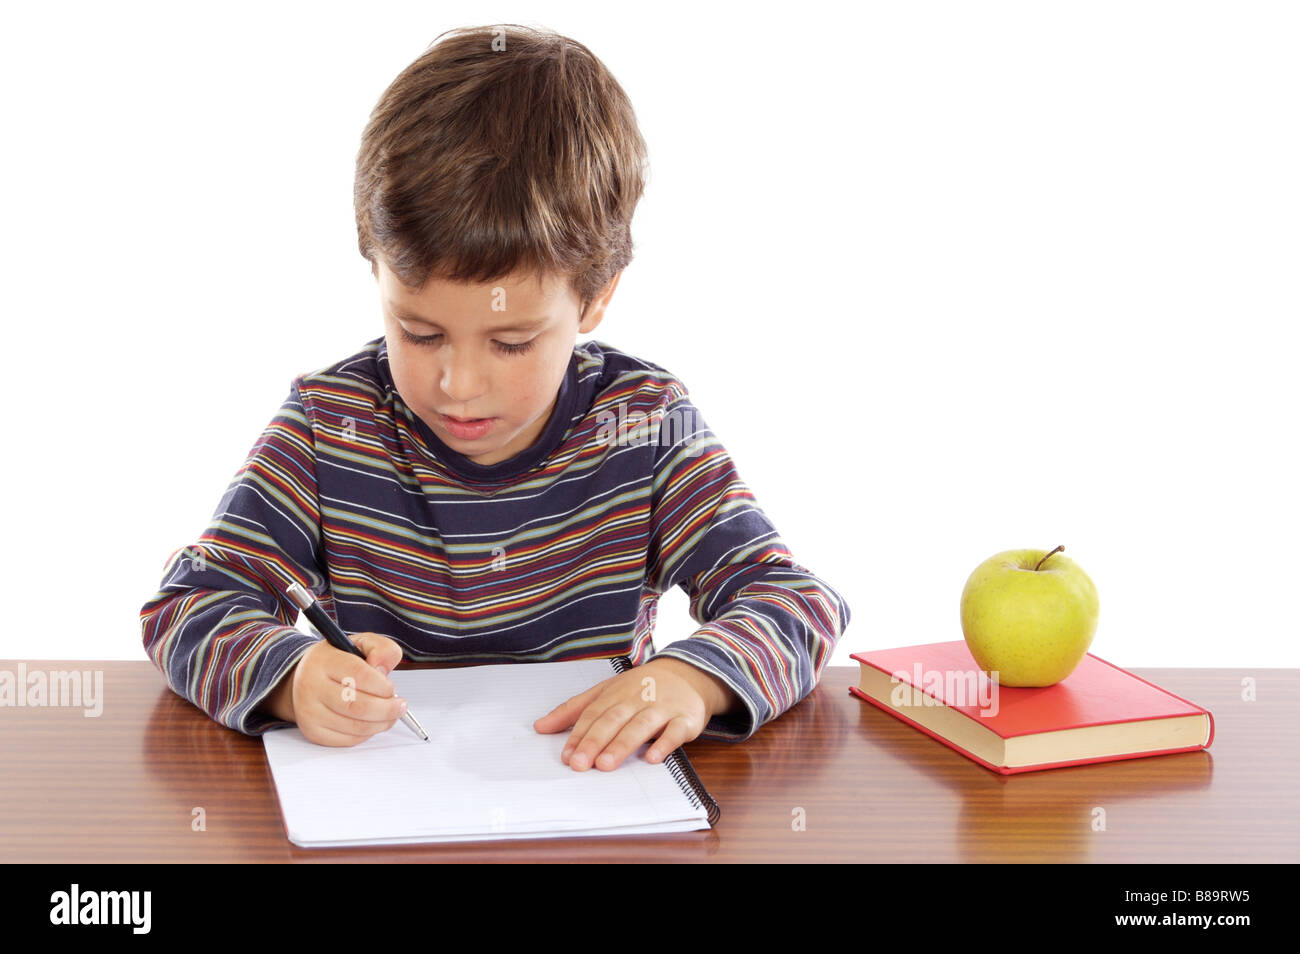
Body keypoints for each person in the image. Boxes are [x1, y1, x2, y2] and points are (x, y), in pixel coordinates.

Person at [140, 23, 851, 773]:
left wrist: (692, 678)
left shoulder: (644, 425)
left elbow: (793, 601)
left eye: (511, 343)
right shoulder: (330, 427)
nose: (458, 385)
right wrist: (288, 674)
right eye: (418, 332)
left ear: (595, 298)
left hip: (590, 809)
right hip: (387, 808)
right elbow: (188, 606)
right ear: (375, 272)